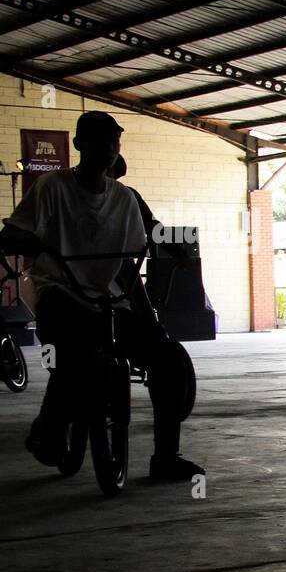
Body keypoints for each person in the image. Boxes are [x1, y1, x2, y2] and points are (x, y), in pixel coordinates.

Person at [0, 110, 202, 480]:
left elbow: (127, 264)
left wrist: (148, 318)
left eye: (115, 140)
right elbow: (12, 233)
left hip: (110, 302)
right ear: (79, 145)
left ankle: (166, 457)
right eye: (100, 140)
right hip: (61, 295)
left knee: (168, 358)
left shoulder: (125, 199)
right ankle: (50, 426)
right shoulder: (52, 187)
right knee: (74, 352)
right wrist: (33, 240)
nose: (109, 148)